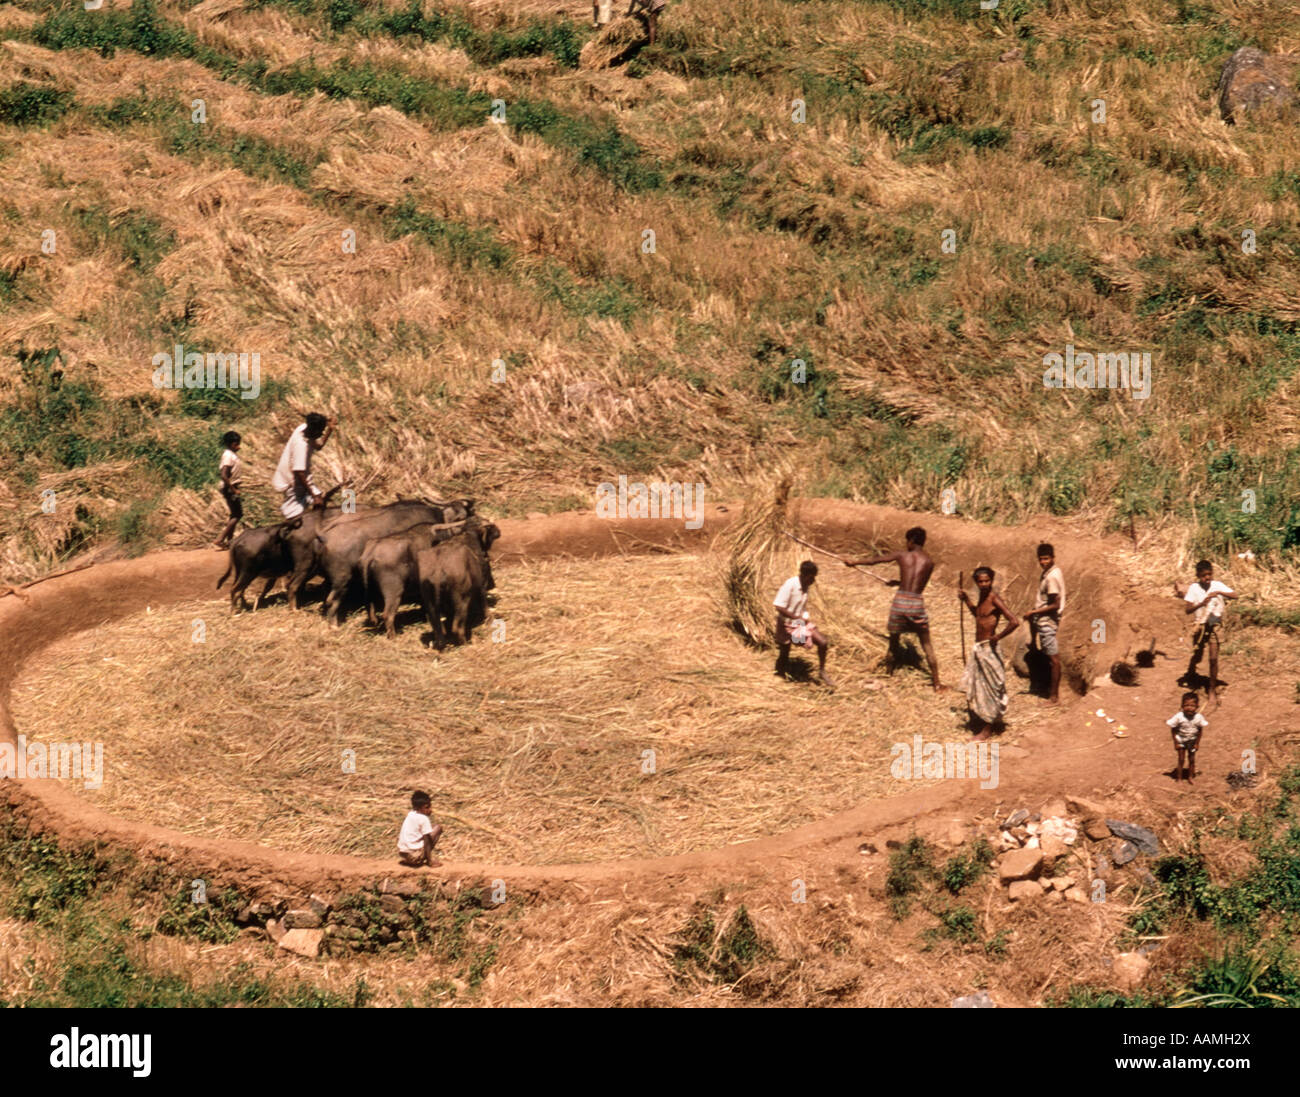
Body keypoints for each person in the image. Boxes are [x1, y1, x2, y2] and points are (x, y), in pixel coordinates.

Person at [845, 527, 943, 691]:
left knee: (893, 642)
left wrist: (853, 562)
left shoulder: (902, 555)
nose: (906, 544)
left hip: (900, 602)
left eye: (907, 541)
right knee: (926, 643)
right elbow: (918, 587)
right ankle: (937, 683)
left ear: (911, 540)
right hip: (916, 602)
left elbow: (875, 560)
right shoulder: (929, 562)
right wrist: (899, 583)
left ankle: (889, 674)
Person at [958, 567, 1020, 739]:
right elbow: (979, 616)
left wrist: (998, 636)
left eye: (987, 581)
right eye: (980, 581)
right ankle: (986, 720)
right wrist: (967, 601)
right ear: (976, 582)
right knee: (980, 686)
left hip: (989, 648)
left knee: (990, 688)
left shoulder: (994, 598)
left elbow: (1014, 621)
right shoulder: (982, 597)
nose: (984, 584)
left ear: (991, 581)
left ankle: (987, 729)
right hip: (979, 648)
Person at [1180, 559, 1237, 706]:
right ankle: (1191, 673)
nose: (1208, 578)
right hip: (1200, 625)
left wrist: (1219, 592)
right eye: (1204, 575)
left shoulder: (1217, 585)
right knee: (1197, 654)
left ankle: (1211, 689)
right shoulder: (1194, 588)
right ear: (1198, 575)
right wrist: (1202, 603)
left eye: (1210, 574)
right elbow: (1187, 610)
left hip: (1214, 626)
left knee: (1213, 659)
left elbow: (1235, 595)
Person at [773, 560, 833, 688]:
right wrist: (796, 617)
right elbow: (778, 606)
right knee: (785, 652)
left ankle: (822, 671)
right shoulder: (790, 584)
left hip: (799, 623)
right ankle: (781, 675)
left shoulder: (806, 586)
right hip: (786, 624)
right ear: (805, 575)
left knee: (823, 642)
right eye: (812, 577)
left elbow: (802, 606)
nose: (813, 581)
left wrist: (804, 618)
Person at [271, 412, 334, 519]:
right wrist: (313, 496)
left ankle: (314, 525)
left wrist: (329, 428)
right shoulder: (301, 446)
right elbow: (299, 472)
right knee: (295, 513)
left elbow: (319, 446)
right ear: (314, 430)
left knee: (318, 501)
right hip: (294, 482)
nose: (322, 433)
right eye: (321, 431)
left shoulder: (303, 428)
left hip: (298, 478)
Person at [1023, 543, 1065, 703]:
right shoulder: (1053, 572)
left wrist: (1033, 612)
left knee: (1054, 659)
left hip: (1048, 622)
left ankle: (1054, 696)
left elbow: (1054, 605)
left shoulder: (1052, 577)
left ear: (1053, 558)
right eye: (1041, 559)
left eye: (1046, 559)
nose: (1043, 562)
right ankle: (1045, 687)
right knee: (1045, 654)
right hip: (1043, 620)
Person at [1167, 691, 1207, 785]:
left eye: (1192, 705)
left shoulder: (1198, 717)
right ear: (1182, 706)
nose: (1189, 708)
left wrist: (1197, 743)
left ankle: (1190, 777)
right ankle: (1179, 778)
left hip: (1192, 740)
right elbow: (1173, 729)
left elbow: (1200, 730)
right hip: (1181, 740)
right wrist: (1176, 742)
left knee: (1192, 759)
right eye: (1186, 705)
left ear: (1197, 706)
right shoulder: (1179, 716)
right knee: (1181, 759)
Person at [397, 790, 444, 868]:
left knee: (432, 827)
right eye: (427, 807)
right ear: (419, 808)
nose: (430, 810)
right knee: (438, 828)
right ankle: (426, 859)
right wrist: (430, 862)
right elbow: (427, 840)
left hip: (404, 854)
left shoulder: (411, 814)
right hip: (415, 857)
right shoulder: (423, 819)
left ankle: (412, 858)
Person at [213, 430, 243, 550]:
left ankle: (230, 542)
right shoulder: (228, 456)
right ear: (231, 444)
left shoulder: (231, 454)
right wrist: (233, 489)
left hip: (232, 487)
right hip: (230, 488)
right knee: (238, 514)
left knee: (234, 514)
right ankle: (221, 539)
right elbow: (224, 475)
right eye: (236, 444)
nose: (238, 446)